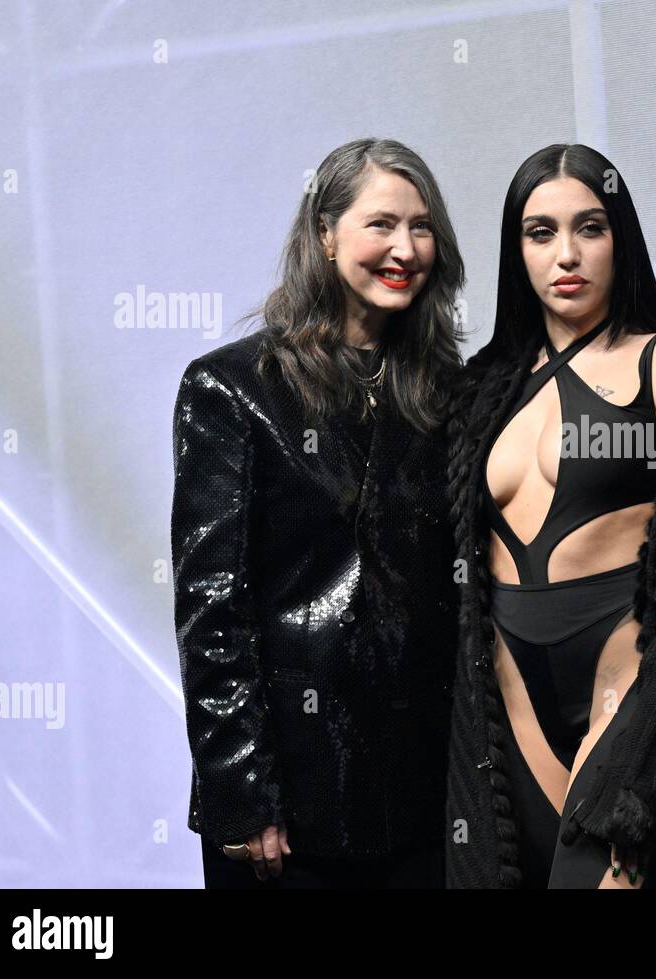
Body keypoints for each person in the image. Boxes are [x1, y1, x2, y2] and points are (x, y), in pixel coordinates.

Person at [443, 143, 656, 888]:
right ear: (515, 250)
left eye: (590, 227)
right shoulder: (480, 389)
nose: (567, 254)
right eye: (540, 232)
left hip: (628, 688)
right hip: (506, 701)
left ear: (622, 237)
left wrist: (644, 759)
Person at [170, 137, 463, 888]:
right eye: (382, 224)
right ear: (326, 235)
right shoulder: (230, 389)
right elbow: (213, 611)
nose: (405, 247)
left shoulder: (450, 394)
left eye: (421, 226)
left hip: (423, 796)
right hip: (288, 806)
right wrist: (243, 792)